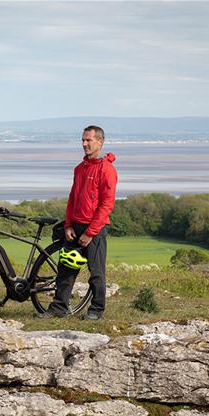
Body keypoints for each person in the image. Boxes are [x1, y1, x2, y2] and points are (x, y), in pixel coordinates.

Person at [43, 125, 118, 320]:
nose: (84, 144)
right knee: (65, 270)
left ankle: (96, 310)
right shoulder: (79, 169)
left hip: (94, 229)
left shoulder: (107, 170)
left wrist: (91, 232)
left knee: (96, 273)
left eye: (89, 140)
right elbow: (72, 199)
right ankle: (58, 308)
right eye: (83, 140)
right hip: (74, 228)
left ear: (100, 142)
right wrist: (68, 225)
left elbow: (106, 204)